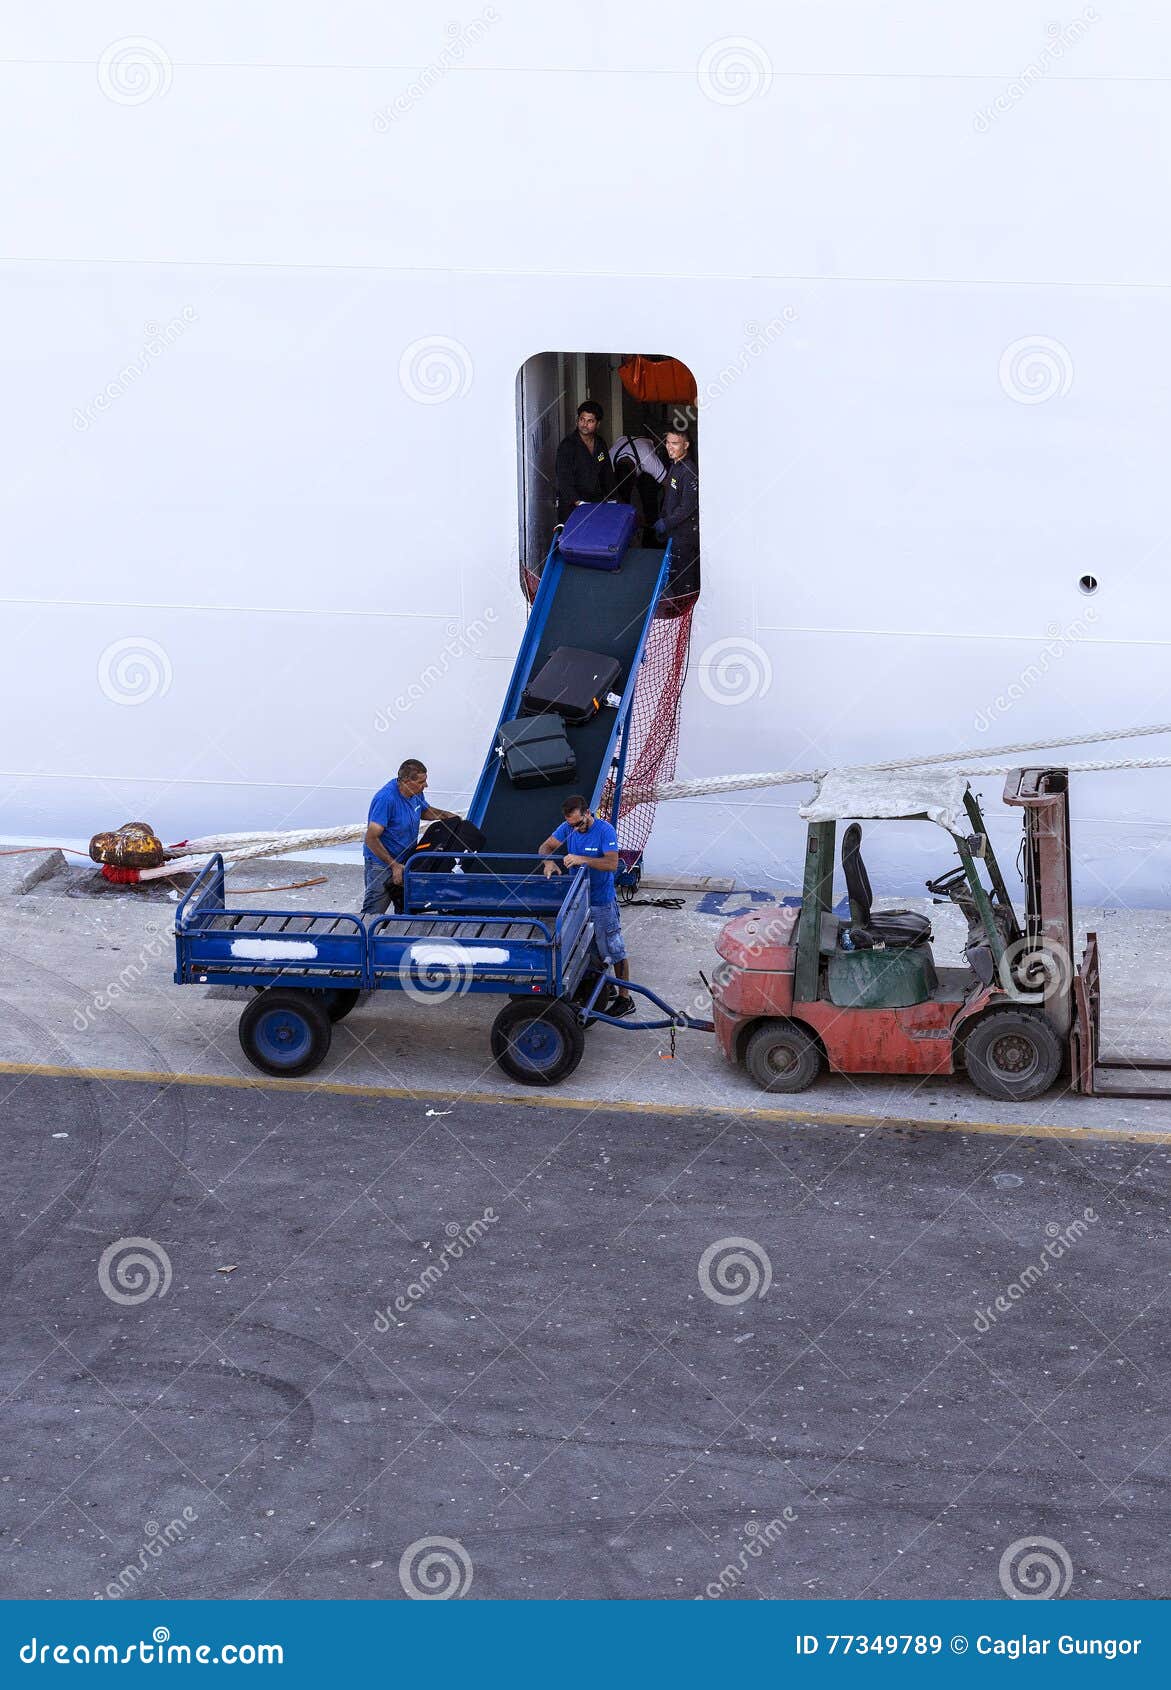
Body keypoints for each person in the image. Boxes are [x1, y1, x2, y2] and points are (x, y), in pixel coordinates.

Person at [538, 795, 634, 1016]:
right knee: (588, 950)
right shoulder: (568, 827)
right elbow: (546, 846)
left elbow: (611, 863)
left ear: (588, 813)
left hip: (601, 902)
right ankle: (604, 988)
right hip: (579, 901)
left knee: (614, 949)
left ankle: (625, 998)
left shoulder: (605, 830)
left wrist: (583, 859)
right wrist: (549, 861)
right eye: (571, 825)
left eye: (579, 823)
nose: (575, 829)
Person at [361, 759, 460, 917]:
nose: (425, 785)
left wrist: (446, 816)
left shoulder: (416, 793)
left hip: (406, 859)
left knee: (407, 906)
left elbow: (423, 810)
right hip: (382, 863)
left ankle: (400, 937)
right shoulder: (386, 799)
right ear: (407, 782)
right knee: (374, 911)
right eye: (422, 781)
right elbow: (371, 838)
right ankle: (363, 938)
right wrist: (394, 866)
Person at [654, 427, 700, 597]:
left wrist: (666, 523)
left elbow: (687, 507)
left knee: (684, 582)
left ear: (686, 445)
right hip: (674, 535)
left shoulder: (689, 471)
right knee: (674, 579)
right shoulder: (674, 467)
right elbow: (669, 500)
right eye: (667, 442)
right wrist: (663, 520)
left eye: (675, 443)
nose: (669, 447)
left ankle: (686, 617)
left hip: (686, 537)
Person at [555, 401, 614, 523]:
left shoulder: (600, 443)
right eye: (582, 419)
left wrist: (612, 499)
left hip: (596, 504)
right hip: (572, 508)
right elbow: (563, 480)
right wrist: (579, 503)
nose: (584, 424)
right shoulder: (567, 446)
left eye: (590, 421)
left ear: (598, 424)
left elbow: (607, 474)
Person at [610, 432, 668, 542]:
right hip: (623, 442)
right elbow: (610, 492)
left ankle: (651, 532)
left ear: (635, 477)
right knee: (621, 498)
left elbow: (668, 484)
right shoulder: (610, 460)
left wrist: (666, 513)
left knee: (649, 496)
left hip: (646, 445)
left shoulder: (648, 460)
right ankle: (626, 529)